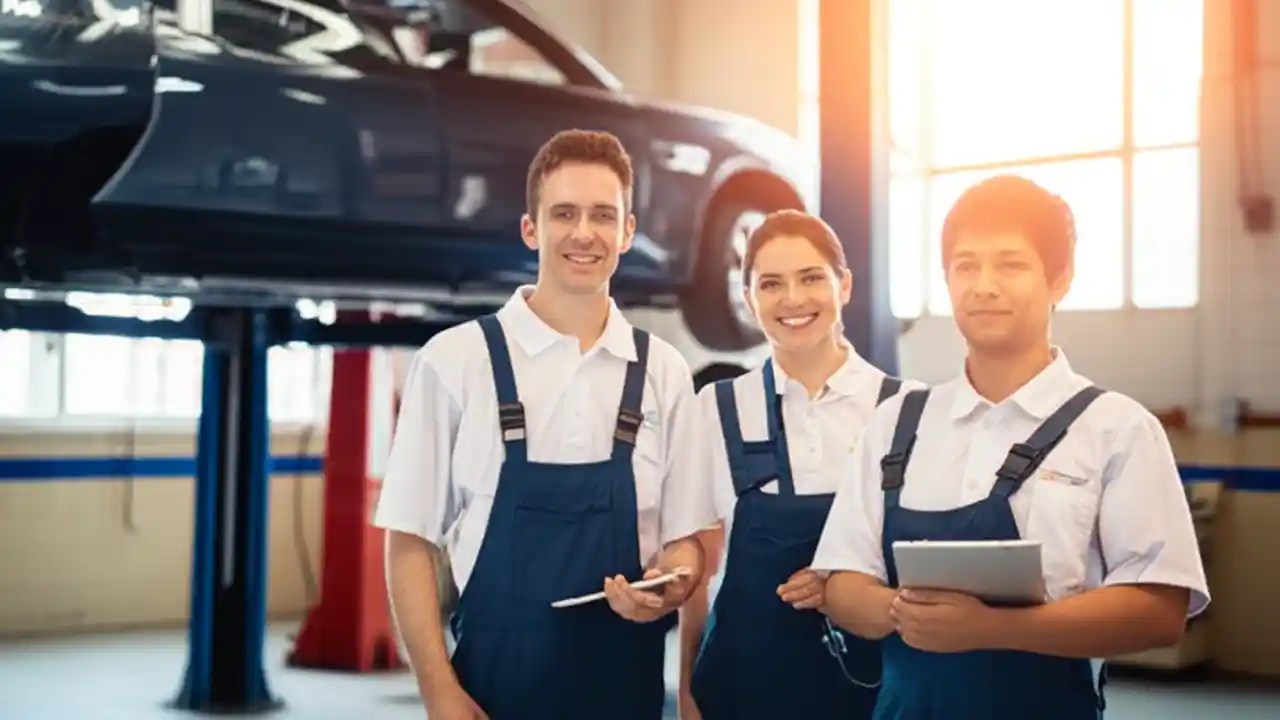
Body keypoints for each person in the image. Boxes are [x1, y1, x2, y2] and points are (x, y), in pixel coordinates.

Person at [812, 175, 1210, 720]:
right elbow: (841, 583)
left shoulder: (1116, 429)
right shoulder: (895, 424)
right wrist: (904, 612)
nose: (984, 285)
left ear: (1060, 278)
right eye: (965, 266)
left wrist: (992, 628)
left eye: (1011, 265)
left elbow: (1159, 610)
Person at [374, 128, 714, 720]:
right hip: (488, 697)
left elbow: (686, 538)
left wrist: (671, 582)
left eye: (604, 215)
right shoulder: (455, 362)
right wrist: (437, 689)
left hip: (624, 695)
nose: (584, 233)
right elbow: (409, 540)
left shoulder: (663, 371)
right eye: (564, 213)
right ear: (531, 229)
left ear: (628, 232)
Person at [681, 210, 922, 720]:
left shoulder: (908, 410)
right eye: (771, 284)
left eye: (811, 278)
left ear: (845, 285)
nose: (792, 299)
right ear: (749, 300)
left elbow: (930, 564)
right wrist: (686, 692)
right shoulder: (715, 409)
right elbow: (698, 572)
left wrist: (849, 584)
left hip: (876, 694)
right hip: (740, 690)